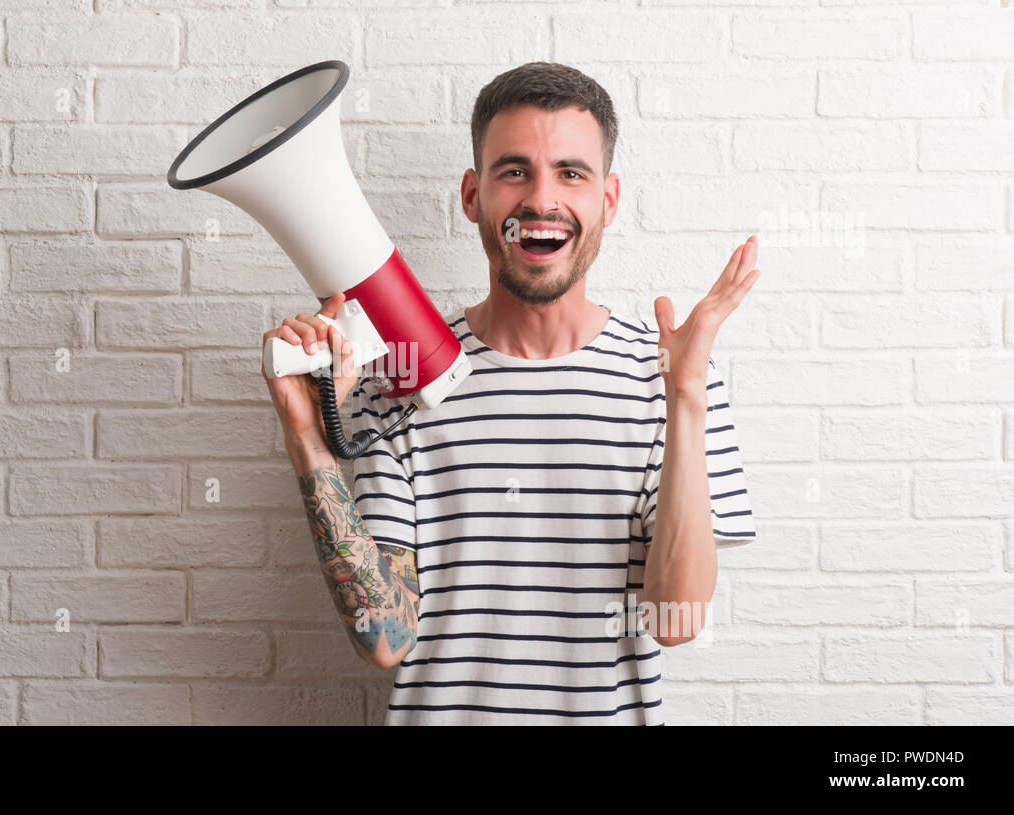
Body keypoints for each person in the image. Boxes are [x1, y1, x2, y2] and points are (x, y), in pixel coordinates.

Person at [261, 62, 760, 725]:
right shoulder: (403, 375)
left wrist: (687, 398)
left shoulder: (670, 368)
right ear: (474, 196)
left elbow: (678, 619)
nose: (542, 199)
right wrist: (305, 432)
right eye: (514, 171)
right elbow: (383, 636)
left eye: (571, 173)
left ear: (609, 200)